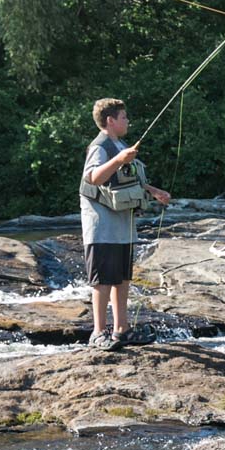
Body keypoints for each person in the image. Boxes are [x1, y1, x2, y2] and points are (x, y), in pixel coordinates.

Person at [79, 97, 170, 350]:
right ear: (110, 120)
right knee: (102, 281)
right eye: (123, 117)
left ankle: (122, 329)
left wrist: (154, 191)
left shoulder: (120, 145)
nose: (127, 121)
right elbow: (93, 177)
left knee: (122, 278)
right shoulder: (100, 146)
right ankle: (98, 333)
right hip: (102, 227)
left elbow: (127, 180)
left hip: (122, 227)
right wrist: (119, 159)